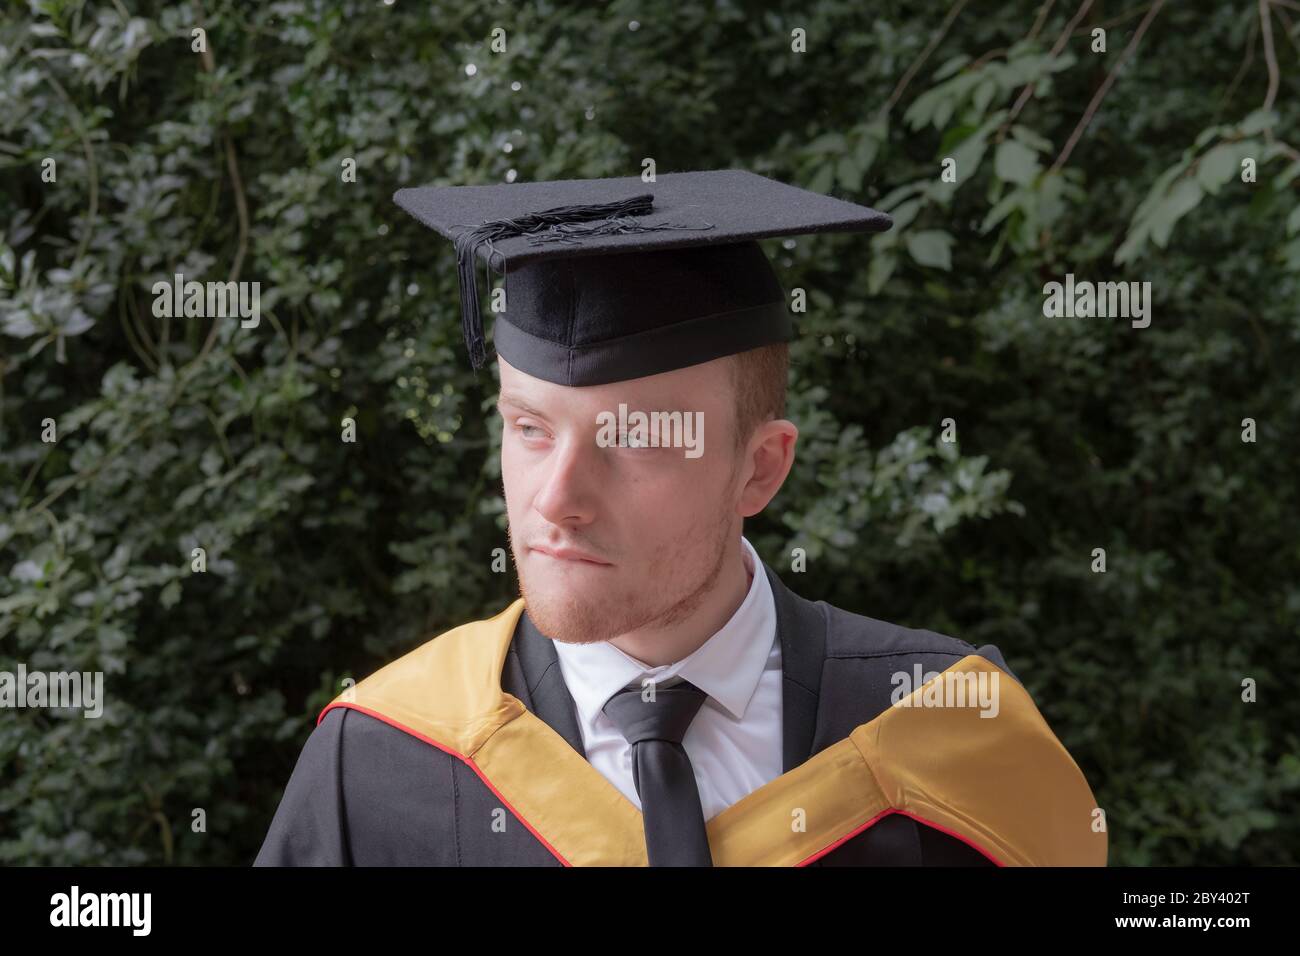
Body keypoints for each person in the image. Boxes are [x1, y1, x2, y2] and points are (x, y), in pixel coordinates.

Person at [254, 169, 1107, 867]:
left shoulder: (953, 738)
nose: (555, 498)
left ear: (759, 468)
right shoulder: (380, 761)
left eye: (634, 439)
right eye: (530, 428)